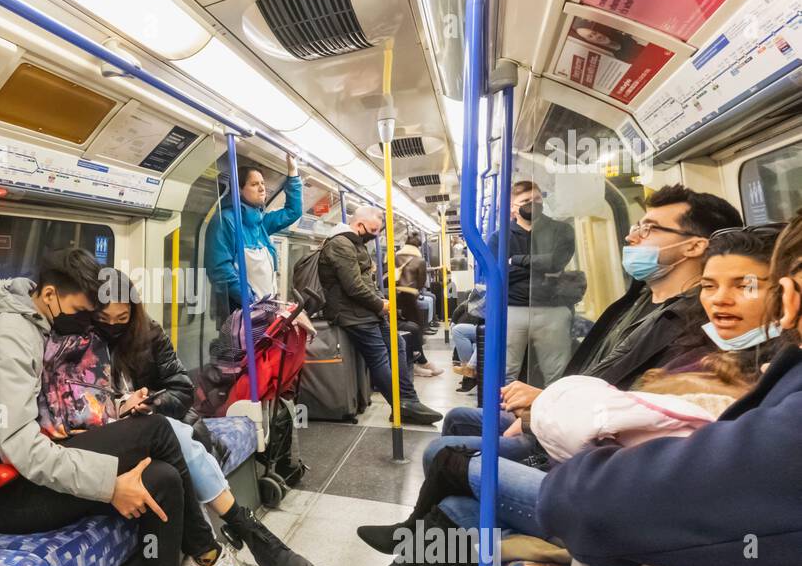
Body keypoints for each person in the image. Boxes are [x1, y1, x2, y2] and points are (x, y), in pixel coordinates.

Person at [367, 208, 802, 566]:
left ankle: (405, 561)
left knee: (456, 461)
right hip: (611, 486)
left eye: (747, 286)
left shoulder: (737, 365)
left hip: (591, 479)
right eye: (712, 286)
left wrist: (553, 415)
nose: (721, 299)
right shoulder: (654, 310)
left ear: (784, 298)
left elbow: (611, 476)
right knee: (462, 466)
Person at [0, 249, 265, 566]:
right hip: (4, 494)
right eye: (80, 310)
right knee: (156, 432)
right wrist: (109, 483)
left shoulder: (33, 322)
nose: (85, 320)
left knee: (162, 477)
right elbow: (20, 448)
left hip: (28, 474)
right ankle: (206, 556)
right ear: (52, 295)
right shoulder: (8, 336)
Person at [426, 184, 743, 467]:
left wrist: (541, 411)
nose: (631, 237)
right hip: (564, 405)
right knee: (459, 416)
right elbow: (503, 269)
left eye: (649, 230)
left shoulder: (691, 324)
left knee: (441, 455)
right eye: (636, 226)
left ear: (693, 246)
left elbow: (633, 410)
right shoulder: (638, 299)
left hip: (588, 449)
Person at [90, 270, 317, 566]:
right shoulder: (81, 346)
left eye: (122, 318)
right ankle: (233, 550)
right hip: (113, 439)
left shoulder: (148, 334)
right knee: (176, 449)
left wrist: (151, 403)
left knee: (174, 459)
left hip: (156, 427)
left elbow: (181, 389)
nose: (114, 327)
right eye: (104, 320)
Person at [316, 205, 442, 425]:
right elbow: (353, 286)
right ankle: (401, 404)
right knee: (380, 357)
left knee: (398, 345)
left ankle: (408, 400)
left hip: (366, 310)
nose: (374, 235)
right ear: (360, 224)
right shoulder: (340, 244)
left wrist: (380, 303)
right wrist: (379, 304)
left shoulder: (355, 244)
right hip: (351, 313)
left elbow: (365, 281)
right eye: (373, 230)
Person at [495, 180, 577, 386]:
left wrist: (516, 260)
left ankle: (553, 416)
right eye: (526, 201)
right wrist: (542, 266)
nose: (533, 204)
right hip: (513, 310)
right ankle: (507, 417)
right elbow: (499, 274)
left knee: (557, 375)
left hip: (553, 309)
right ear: (513, 207)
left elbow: (556, 262)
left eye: (537, 199)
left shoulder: (561, 230)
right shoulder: (499, 237)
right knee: (506, 372)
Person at [204, 156, 303, 315]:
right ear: (240, 189)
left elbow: (293, 212)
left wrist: (293, 173)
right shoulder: (225, 221)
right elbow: (220, 270)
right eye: (254, 184)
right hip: (241, 311)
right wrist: (253, 301)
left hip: (265, 307)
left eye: (263, 183)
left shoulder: (260, 222)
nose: (262, 188)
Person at [394, 235, 442, 376]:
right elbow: (421, 282)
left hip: (394, 296)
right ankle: (417, 362)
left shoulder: (394, 257)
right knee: (414, 329)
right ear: (418, 247)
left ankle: (417, 360)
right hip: (409, 297)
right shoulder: (419, 260)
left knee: (408, 331)